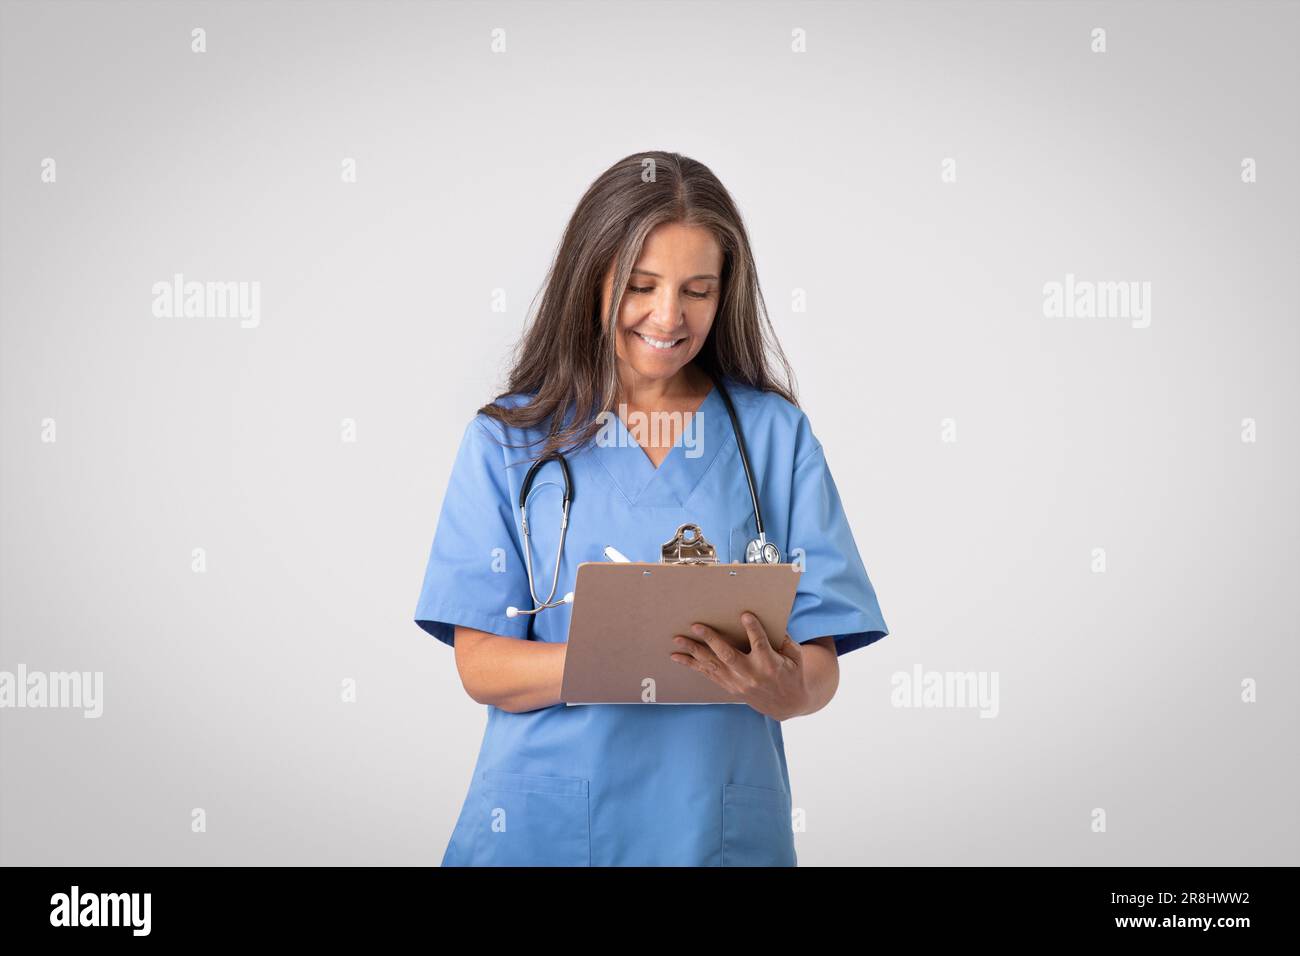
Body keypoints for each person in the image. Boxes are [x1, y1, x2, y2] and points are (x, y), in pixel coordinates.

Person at [414, 151, 889, 866]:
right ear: (590, 279)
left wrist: (785, 688)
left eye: (698, 290)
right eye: (641, 285)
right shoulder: (507, 441)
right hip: (546, 827)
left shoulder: (774, 437)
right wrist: (617, 657)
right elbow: (481, 666)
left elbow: (820, 664)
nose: (669, 316)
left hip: (714, 826)